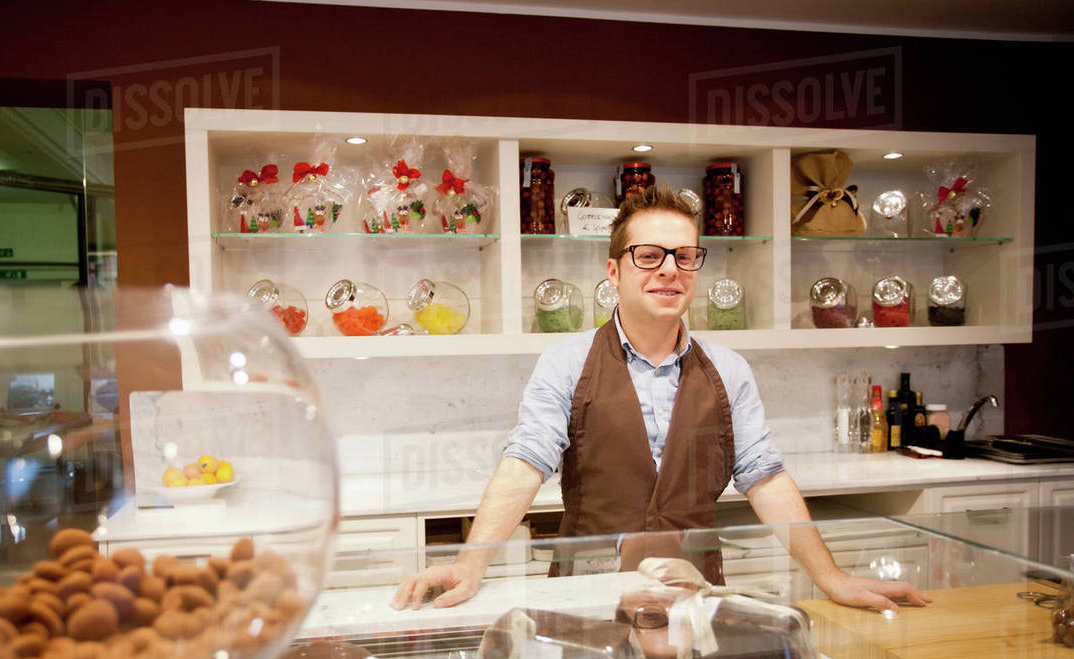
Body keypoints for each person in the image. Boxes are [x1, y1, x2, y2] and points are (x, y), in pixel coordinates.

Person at [391, 187, 929, 613]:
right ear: (614, 271)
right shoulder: (566, 363)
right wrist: (470, 564)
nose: (669, 269)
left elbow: (765, 477)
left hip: (695, 597)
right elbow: (525, 463)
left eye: (684, 256)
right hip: (586, 599)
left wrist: (830, 579)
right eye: (648, 256)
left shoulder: (729, 371)